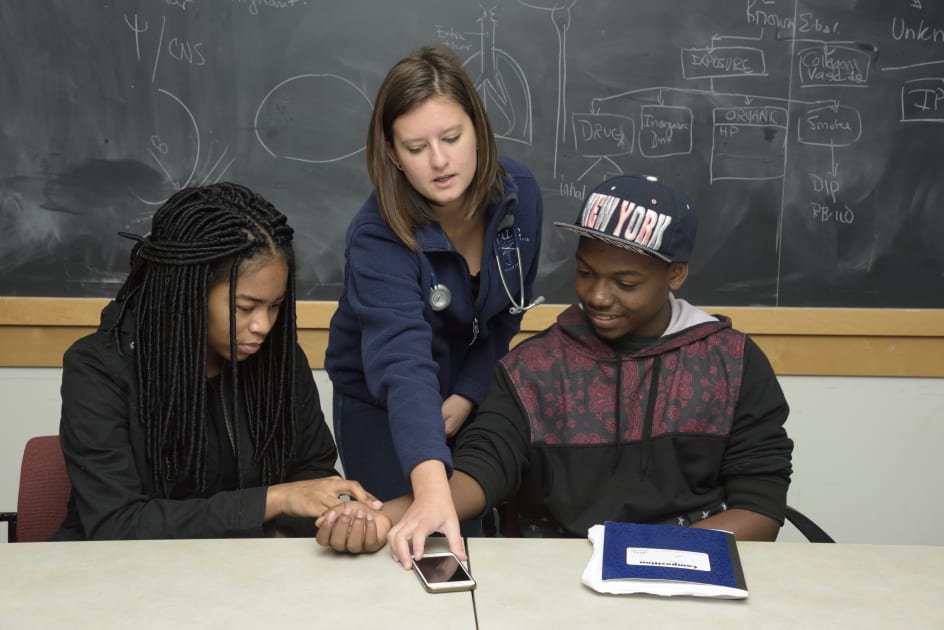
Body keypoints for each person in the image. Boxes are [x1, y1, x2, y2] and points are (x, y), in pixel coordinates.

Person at [316, 174, 794, 568]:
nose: (598, 296)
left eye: (625, 282)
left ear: (675, 275)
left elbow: (760, 508)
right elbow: (481, 470)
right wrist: (382, 517)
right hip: (559, 586)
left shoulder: (733, 364)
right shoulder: (535, 368)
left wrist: (644, 560)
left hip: (693, 581)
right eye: (586, 273)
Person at [55, 182, 380, 540]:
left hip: (246, 580)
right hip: (124, 583)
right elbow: (116, 524)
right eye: (245, 307)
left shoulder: (280, 363)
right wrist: (273, 501)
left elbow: (311, 474)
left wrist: (338, 518)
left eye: (276, 306)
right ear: (189, 292)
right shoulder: (98, 370)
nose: (264, 326)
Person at [324, 44, 543, 555]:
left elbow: (509, 312)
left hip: (475, 383)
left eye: (451, 137)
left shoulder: (520, 195)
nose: (440, 161)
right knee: (404, 541)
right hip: (383, 401)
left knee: (472, 533)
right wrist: (428, 487)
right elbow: (402, 364)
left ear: (479, 130)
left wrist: (468, 392)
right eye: (416, 148)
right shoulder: (376, 235)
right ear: (393, 155)